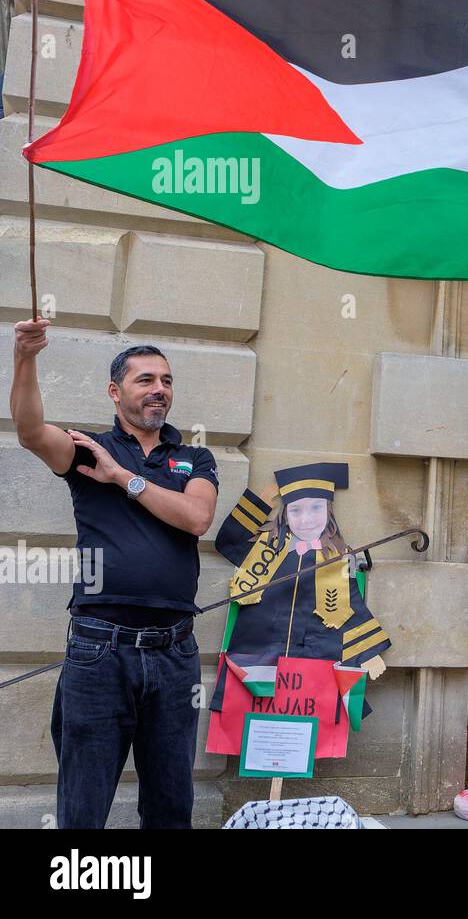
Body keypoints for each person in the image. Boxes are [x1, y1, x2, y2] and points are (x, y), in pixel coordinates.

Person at [10, 320, 218, 828]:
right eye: (145, 379)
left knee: (171, 804)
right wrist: (24, 357)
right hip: (99, 650)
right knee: (84, 803)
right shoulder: (87, 451)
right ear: (115, 390)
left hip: (175, 653)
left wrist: (122, 477)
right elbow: (30, 431)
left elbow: (196, 518)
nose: (159, 390)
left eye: (166, 381)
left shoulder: (194, 458)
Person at [207, 462, 392, 749]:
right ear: (285, 514)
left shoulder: (335, 560)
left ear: (328, 511)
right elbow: (227, 543)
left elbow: (348, 607)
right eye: (296, 510)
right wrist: (259, 501)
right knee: (257, 728)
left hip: (311, 659)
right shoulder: (266, 551)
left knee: (300, 734)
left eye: (316, 508)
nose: (307, 519)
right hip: (258, 655)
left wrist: (366, 654)